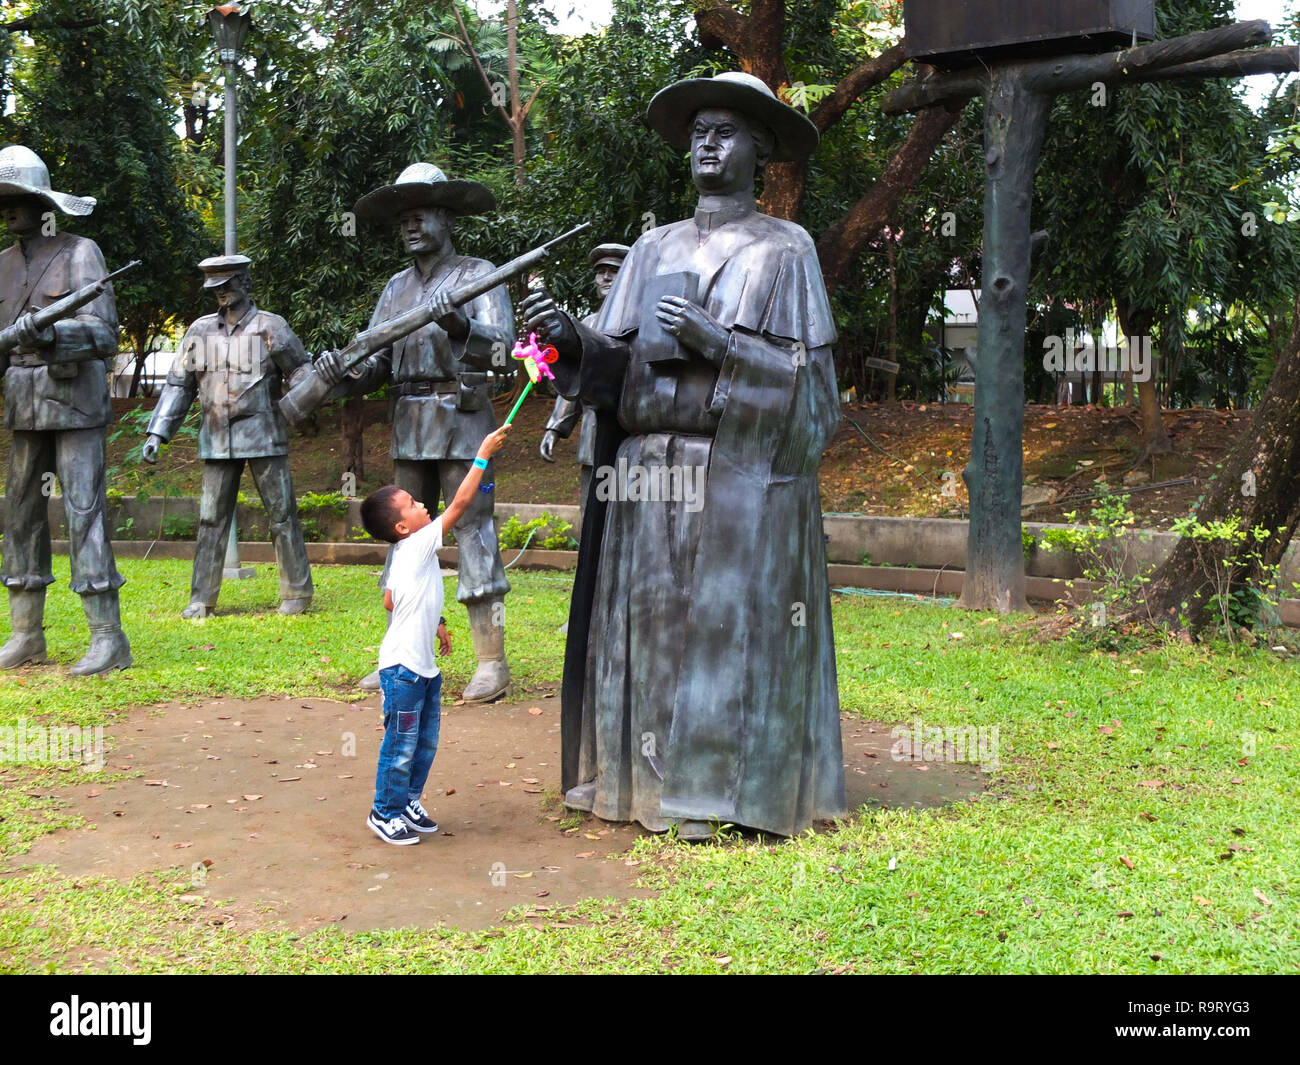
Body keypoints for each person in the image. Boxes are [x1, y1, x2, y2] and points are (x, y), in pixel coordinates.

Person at [521, 72, 845, 839]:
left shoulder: (785, 249)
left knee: (722, 636)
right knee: (650, 632)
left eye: (725, 130)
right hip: (643, 477)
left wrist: (720, 344)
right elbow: (616, 366)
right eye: (698, 129)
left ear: (760, 148)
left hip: (735, 478)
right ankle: (640, 784)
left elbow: (817, 396)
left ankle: (721, 792)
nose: (707, 141)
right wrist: (572, 340)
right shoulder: (651, 247)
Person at [315, 164, 513, 702]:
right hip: (408, 419)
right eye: (402, 219)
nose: (409, 226)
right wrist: (348, 373)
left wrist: (460, 325)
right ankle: (401, 653)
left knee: (471, 530)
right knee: (406, 544)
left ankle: (490, 659)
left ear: (447, 219)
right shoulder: (396, 287)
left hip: (462, 414)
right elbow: (378, 360)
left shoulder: (480, 273)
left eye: (420, 216)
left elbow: (505, 352)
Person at [0, 145, 131, 675]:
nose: (9, 210)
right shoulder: (2, 266)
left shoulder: (82, 252)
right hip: (24, 406)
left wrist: (54, 334)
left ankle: (108, 638)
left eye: (18, 199)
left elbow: (104, 333)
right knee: (19, 514)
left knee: (84, 515)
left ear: (43, 202)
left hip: (75, 404)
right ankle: (26, 633)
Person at [359, 423, 511, 845]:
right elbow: (461, 502)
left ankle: (406, 800)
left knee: (424, 743)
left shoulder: (405, 554)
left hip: (421, 669)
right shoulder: (419, 543)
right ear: (403, 527)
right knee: (401, 744)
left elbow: (391, 600)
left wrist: (437, 622)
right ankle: (383, 811)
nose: (422, 503)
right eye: (411, 503)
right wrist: (482, 452)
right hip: (403, 670)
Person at [143, 255, 314, 617]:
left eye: (227, 283)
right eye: (215, 287)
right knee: (210, 519)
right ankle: (201, 598)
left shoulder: (272, 326)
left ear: (245, 283)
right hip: (218, 438)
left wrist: (307, 393)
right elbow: (179, 385)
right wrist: (158, 432)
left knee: (282, 514)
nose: (221, 292)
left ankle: (296, 592)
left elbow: (300, 371)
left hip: (265, 434)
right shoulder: (199, 331)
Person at [539, 242, 629, 531]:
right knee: (591, 517)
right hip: (593, 431)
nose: (604, 278)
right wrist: (556, 427)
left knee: (624, 516)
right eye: (600, 272)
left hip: (629, 431)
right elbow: (575, 379)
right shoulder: (585, 324)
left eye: (613, 272)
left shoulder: (639, 320)